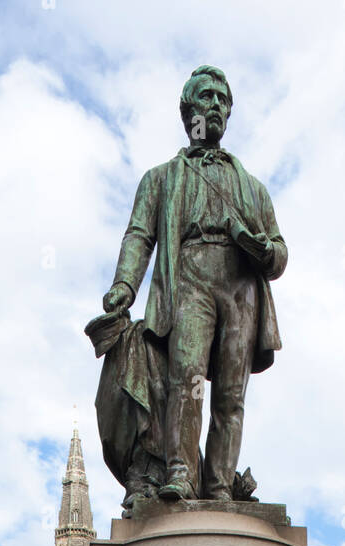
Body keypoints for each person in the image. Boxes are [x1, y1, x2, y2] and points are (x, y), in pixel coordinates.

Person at [99, 65, 287, 504]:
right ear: (189, 112)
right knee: (186, 380)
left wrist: (261, 248)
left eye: (223, 99)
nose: (216, 105)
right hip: (189, 279)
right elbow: (140, 235)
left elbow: (279, 254)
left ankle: (220, 486)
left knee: (231, 395)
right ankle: (181, 473)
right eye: (207, 97)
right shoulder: (160, 178)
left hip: (241, 287)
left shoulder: (253, 188)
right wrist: (124, 285)